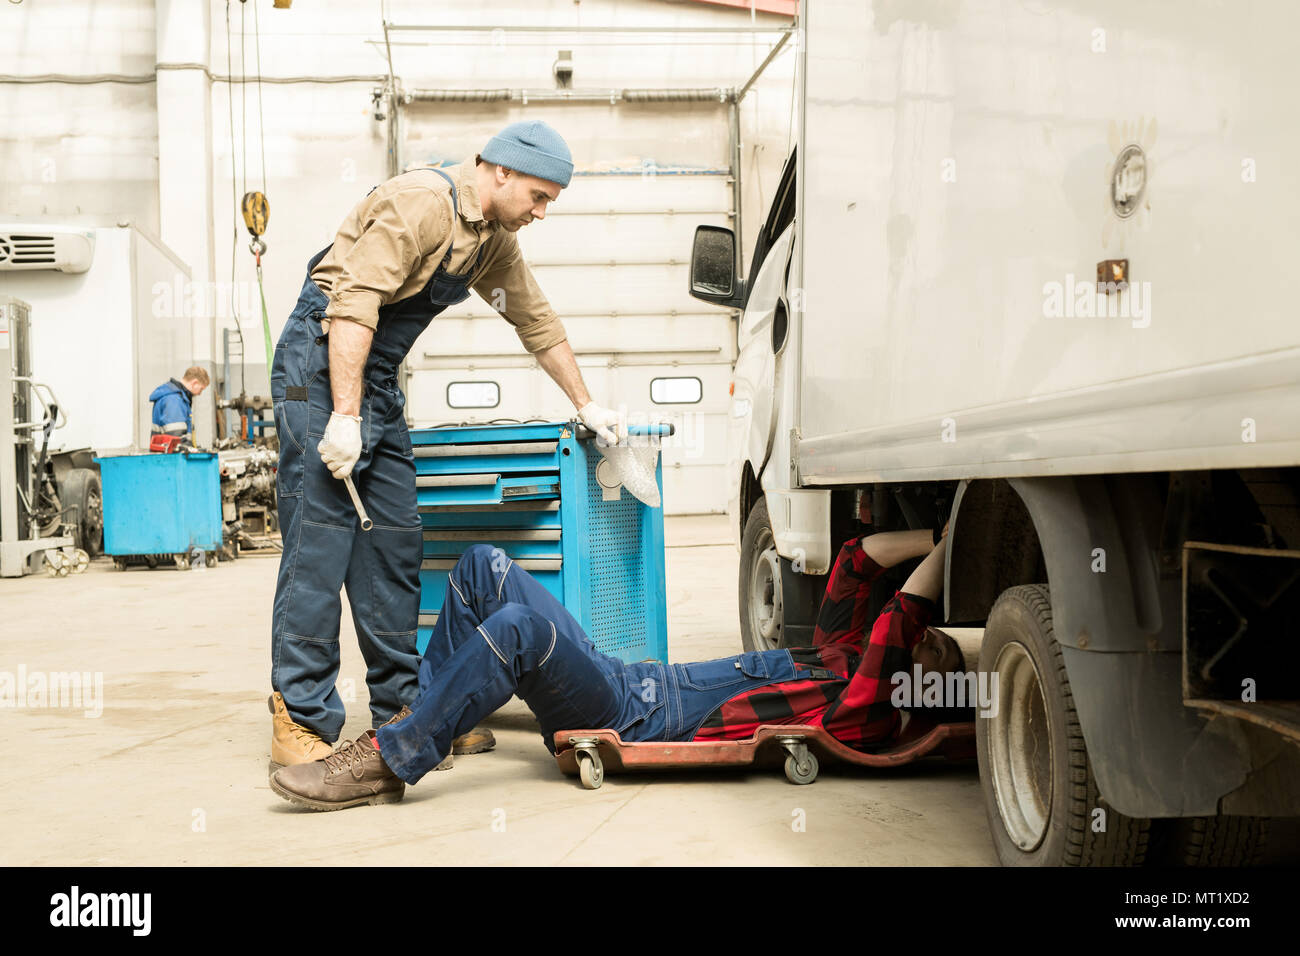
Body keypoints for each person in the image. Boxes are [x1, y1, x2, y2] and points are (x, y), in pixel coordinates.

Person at [268, 120, 629, 773]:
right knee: (320, 539)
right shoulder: (422, 203)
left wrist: (587, 404)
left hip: (370, 375)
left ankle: (403, 708)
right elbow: (353, 307)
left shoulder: (493, 243)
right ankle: (299, 718)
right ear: (499, 171)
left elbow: (536, 322)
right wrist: (343, 418)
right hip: (312, 371)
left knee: (396, 543)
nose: (541, 212)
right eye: (539, 196)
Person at [269, 527, 965, 811]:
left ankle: (394, 757)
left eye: (936, 651)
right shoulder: (838, 652)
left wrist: (936, 578)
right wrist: (942, 536)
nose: (928, 639)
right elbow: (856, 562)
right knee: (485, 565)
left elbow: (901, 614)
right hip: (629, 676)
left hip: (631, 714)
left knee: (517, 632)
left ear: (920, 684)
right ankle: (433, 717)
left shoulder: (867, 708)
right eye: (936, 638)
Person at [148, 366, 209, 438]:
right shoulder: (174, 400)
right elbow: (175, 439)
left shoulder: (179, 398)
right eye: (201, 389)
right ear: (194, 383)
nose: (200, 393)